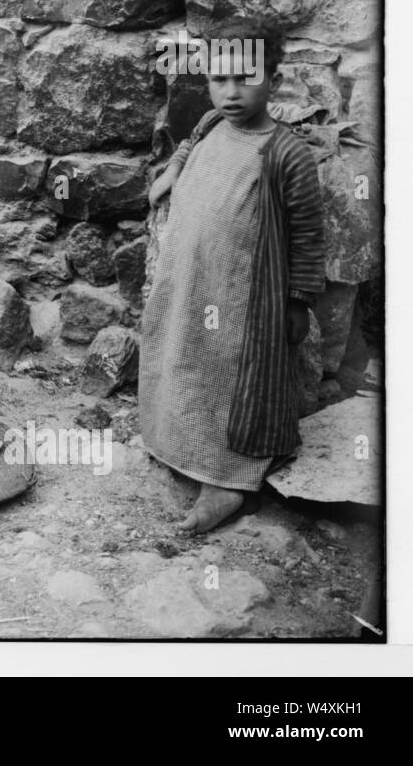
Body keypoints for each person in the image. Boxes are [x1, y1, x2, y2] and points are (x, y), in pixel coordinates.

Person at [141, 34, 325, 534]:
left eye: (246, 79)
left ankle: (225, 482)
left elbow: (309, 235)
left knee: (227, 380)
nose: (231, 92)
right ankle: (178, 443)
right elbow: (188, 141)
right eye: (219, 80)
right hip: (189, 279)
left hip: (242, 295)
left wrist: (299, 301)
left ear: (275, 81)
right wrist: (173, 172)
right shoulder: (210, 122)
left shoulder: (287, 155)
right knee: (183, 358)